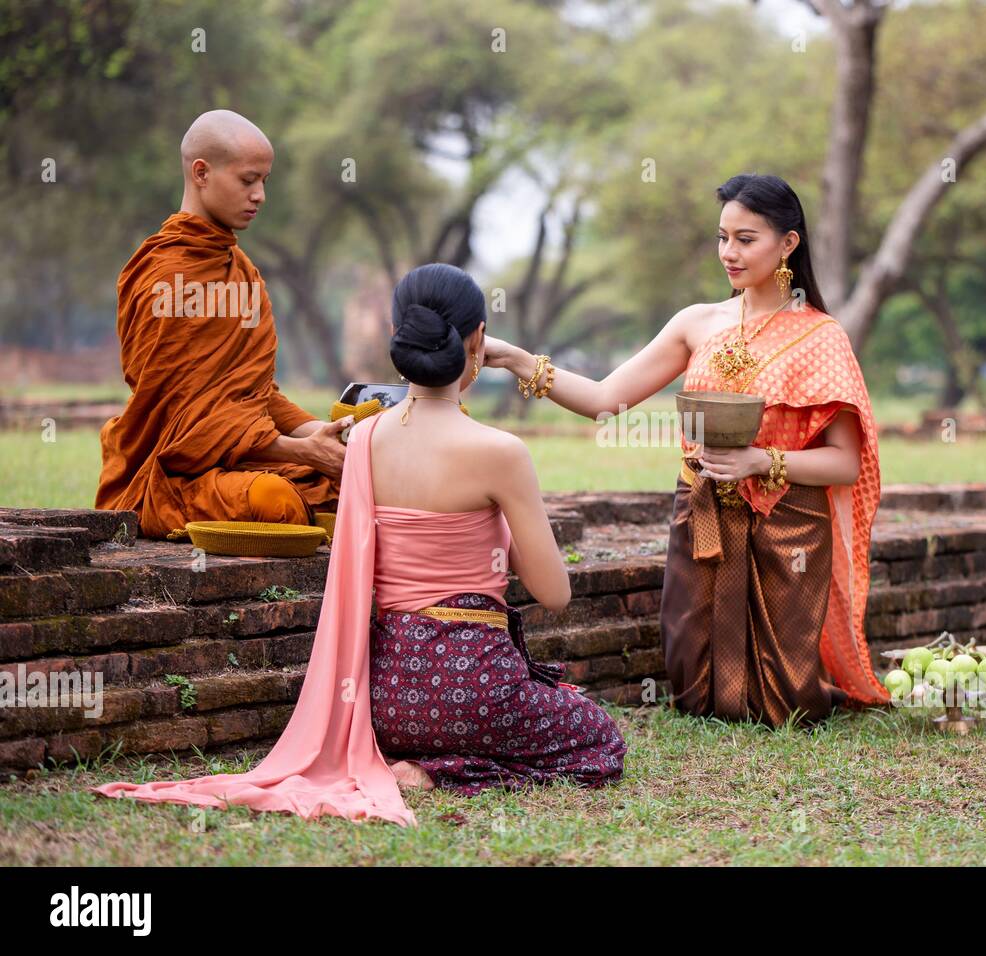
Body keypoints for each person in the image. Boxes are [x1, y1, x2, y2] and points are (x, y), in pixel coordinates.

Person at [91, 263, 625, 825]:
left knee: (505, 718)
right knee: (599, 740)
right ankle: (445, 770)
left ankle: (417, 758)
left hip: (381, 700)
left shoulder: (364, 438)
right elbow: (555, 593)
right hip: (476, 687)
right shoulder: (500, 451)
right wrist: (499, 525)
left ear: (402, 336)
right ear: (477, 342)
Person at [485, 173, 890, 726]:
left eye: (746, 239)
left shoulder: (820, 336)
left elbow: (845, 462)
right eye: (722, 237)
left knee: (788, 702)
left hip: (786, 524)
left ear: (788, 243)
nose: (729, 252)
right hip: (701, 512)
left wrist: (760, 461)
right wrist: (516, 359)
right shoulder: (697, 323)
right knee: (698, 691)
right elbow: (606, 399)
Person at [96, 109, 347, 538]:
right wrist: (302, 452)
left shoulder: (243, 272)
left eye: (265, 181)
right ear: (201, 173)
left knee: (358, 485)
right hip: (172, 473)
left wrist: (319, 434)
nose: (260, 196)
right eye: (248, 180)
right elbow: (181, 421)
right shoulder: (163, 276)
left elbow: (257, 394)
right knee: (274, 501)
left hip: (242, 457)